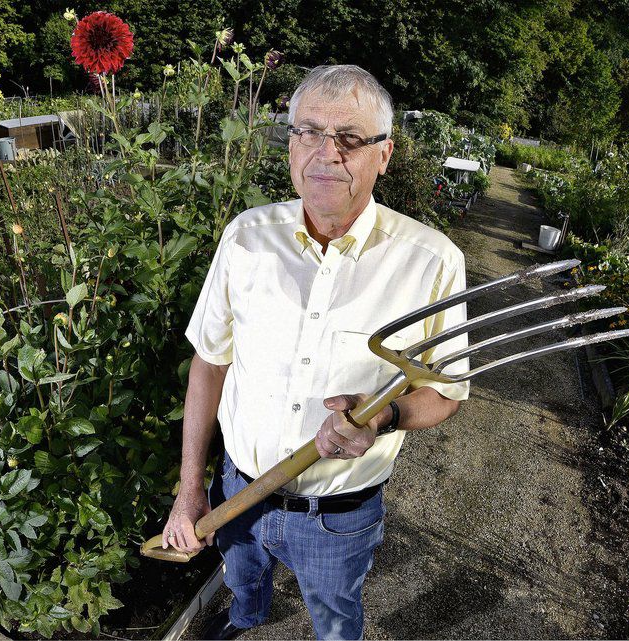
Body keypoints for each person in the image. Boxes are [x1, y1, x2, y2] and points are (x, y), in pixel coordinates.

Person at [161, 65, 470, 640]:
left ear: (384, 154)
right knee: (243, 577)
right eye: (308, 132)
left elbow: (446, 394)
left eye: (350, 138)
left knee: (334, 613)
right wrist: (189, 492)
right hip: (237, 492)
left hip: (337, 514)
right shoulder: (247, 236)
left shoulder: (431, 261)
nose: (327, 153)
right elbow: (210, 362)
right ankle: (246, 618)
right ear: (290, 145)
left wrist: (384, 416)